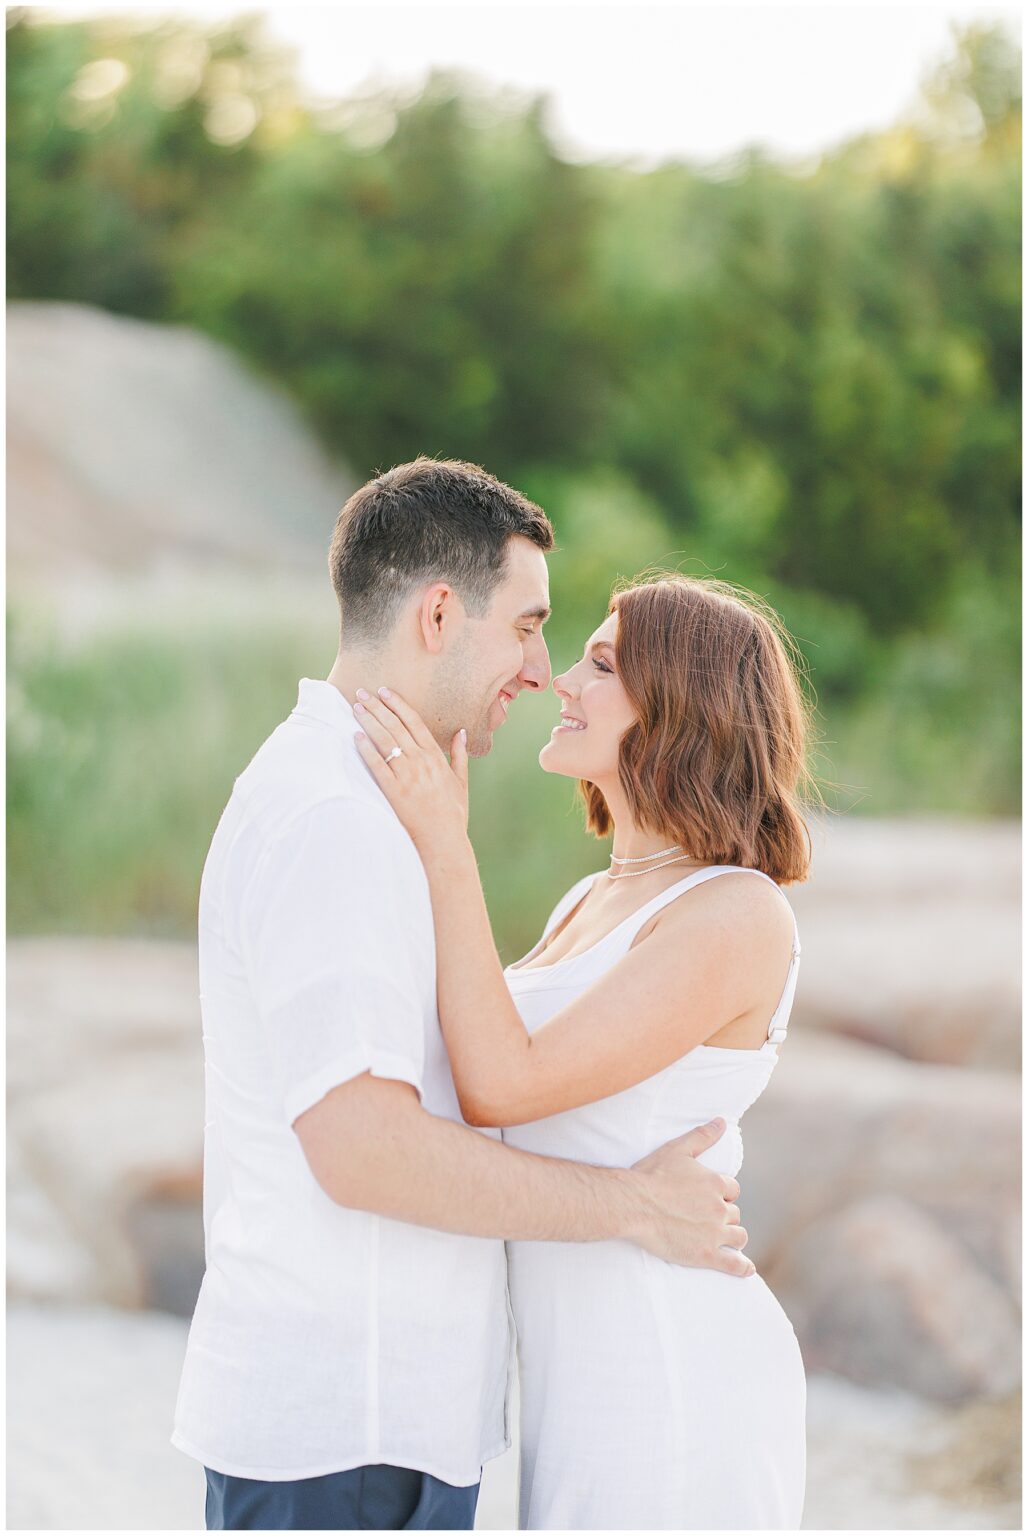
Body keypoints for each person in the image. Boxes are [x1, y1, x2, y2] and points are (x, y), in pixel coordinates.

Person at [171, 460, 753, 1532]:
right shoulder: (334, 822)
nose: (538, 671)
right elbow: (363, 1148)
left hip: (389, 1424)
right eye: (528, 629)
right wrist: (631, 1206)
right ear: (440, 613)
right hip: (346, 1434)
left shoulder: (370, 804)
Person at [353, 571, 811, 1530]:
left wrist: (446, 843)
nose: (561, 680)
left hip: (667, 1355)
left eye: (600, 665)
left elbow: (503, 1083)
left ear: (683, 707)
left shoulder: (736, 912)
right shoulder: (584, 902)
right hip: (575, 1362)